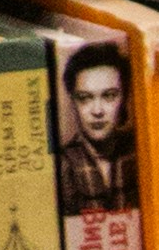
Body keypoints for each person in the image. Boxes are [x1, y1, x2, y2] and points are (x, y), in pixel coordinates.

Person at [54, 36, 133, 212]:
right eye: (85, 98)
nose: (97, 111)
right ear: (73, 101)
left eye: (109, 96)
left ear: (124, 97)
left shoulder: (140, 153)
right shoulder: (62, 165)